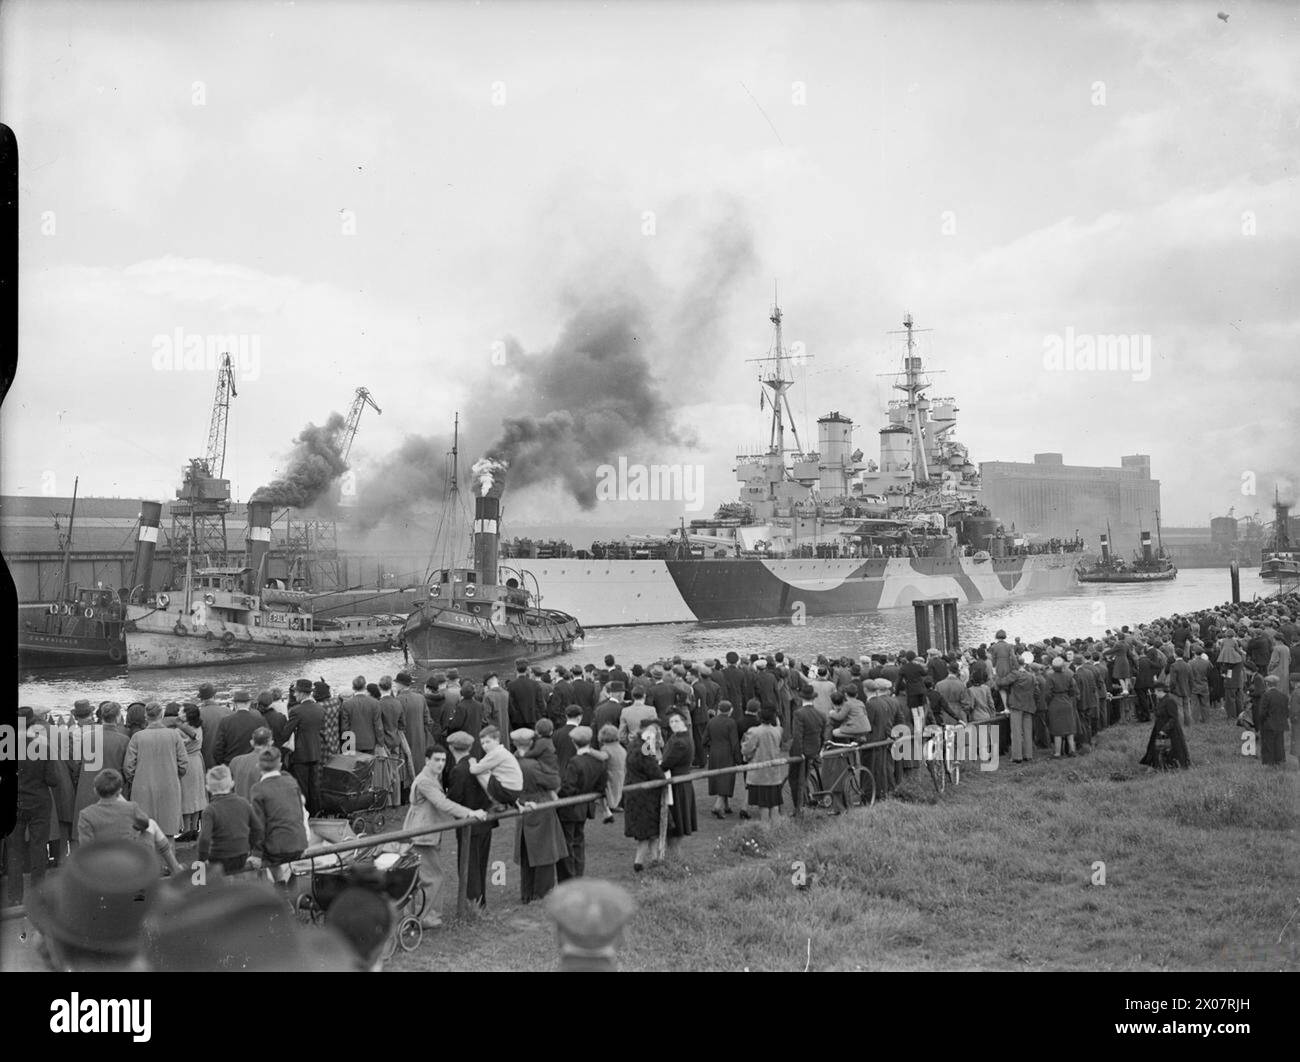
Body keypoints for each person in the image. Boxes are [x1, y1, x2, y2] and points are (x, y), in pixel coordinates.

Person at [404, 744, 486, 928]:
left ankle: (418, 915)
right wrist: (470, 813)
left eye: (443, 760)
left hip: (425, 833)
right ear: (427, 760)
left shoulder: (432, 777)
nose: (441, 764)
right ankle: (427, 918)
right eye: (437, 760)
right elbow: (442, 803)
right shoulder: (425, 780)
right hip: (421, 835)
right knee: (433, 877)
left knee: (424, 877)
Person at [75, 770, 183, 876]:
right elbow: (145, 824)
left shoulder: (86, 815)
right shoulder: (130, 808)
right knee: (152, 824)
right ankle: (175, 867)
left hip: (103, 869)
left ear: (95, 791)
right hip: (131, 863)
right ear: (119, 791)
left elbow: (86, 847)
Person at [512, 728, 566, 903]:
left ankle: (527, 894)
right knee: (545, 854)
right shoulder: (533, 765)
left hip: (522, 808)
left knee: (527, 855)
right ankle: (543, 894)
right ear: (531, 743)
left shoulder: (512, 761)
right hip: (540, 807)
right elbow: (554, 782)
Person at [443, 731, 496, 909]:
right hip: (484, 821)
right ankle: (481, 902)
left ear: (451, 748)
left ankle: (473, 905)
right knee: (480, 864)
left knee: (469, 865)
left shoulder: (458, 771)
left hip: (469, 823)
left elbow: (454, 799)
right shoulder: (478, 764)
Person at [123, 703, 188, 838]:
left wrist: (138, 779)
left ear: (146, 716)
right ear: (161, 715)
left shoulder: (137, 737)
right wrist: (173, 776)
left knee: (144, 834)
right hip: (169, 787)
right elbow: (183, 764)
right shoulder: (174, 736)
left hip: (142, 788)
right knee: (168, 835)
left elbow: (128, 768)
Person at [249, 747, 308, 885]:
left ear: (259, 766)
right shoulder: (291, 782)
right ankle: (283, 895)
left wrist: (256, 854)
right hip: (299, 843)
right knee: (273, 861)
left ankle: (270, 897)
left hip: (276, 848)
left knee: (260, 861)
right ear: (280, 765)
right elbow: (301, 813)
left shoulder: (258, 789)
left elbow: (258, 825)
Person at [556, 727, 608, 881]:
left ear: (574, 742)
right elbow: (601, 785)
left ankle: (568, 877)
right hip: (585, 806)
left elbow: (568, 788)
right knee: (578, 841)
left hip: (570, 807)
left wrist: (556, 796)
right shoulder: (598, 761)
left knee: (567, 842)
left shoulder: (575, 762)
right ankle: (578, 874)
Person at [198, 765, 262, 878]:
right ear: (232, 783)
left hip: (219, 856)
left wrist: (202, 859)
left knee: (200, 873)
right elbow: (257, 829)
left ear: (208, 787)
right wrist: (252, 849)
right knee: (238, 875)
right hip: (242, 854)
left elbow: (204, 839)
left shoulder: (210, 810)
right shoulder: (243, 803)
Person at [623, 719, 665, 872]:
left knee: (649, 832)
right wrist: (663, 777)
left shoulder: (633, 744)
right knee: (647, 830)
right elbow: (651, 768)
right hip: (645, 794)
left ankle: (653, 860)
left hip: (633, 790)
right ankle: (641, 863)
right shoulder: (645, 746)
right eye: (654, 731)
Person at [285, 680, 326, 814]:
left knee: (302, 787)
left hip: (301, 754)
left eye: (296, 692)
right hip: (315, 751)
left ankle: (305, 814)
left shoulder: (296, 711)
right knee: (314, 785)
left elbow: (286, 733)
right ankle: (316, 813)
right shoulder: (320, 708)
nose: (295, 695)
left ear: (302, 693)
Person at [660, 710, 697, 855]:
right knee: (673, 829)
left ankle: (674, 861)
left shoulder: (680, 742)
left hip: (678, 785)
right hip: (679, 782)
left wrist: (655, 765)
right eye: (671, 722)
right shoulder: (678, 737)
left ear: (684, 722)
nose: (673, 724)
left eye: (676, 721)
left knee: (675, 827)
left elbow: (666, 763)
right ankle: (673, 859)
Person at [741, 706, 787, 822]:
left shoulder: (754, 731)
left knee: (764, 806)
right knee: (774, 804)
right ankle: (776, 830)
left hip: (760, 774)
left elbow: (746, 750)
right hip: (774, 774)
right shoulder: (778, 731)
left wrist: (747, 756)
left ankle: (765, 829)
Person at [469, 724, 525, 808]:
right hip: (515, 790)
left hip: (507, 791)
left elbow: (474, 770)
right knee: (486, 771)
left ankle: (496, 801)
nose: (485, 746)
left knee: (480, 773)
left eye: (488, 742)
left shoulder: (496, 753)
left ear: (497, 740)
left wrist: (472, 762)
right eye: (482, 743)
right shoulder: (502, 751)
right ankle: (505, 801)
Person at [704, 698, 741, 818]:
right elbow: (734, 743)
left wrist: (711, 747)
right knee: (726, 779)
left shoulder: (711, 722)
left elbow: (704, 740)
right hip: (727, 754)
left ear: (718, 710)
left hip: (714, 753)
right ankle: (717, 806)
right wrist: (738, 759)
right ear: (730, 710)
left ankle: (726, 805)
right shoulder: (731, 723)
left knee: (718, 778)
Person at [999, 655, 1037, 764]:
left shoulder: (1014, 675)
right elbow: (1036, 692)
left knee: (1016, 731)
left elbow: (1001, 683)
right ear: (1024, 664)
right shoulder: (1031, 676)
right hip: (1028, 705)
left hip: (1016, 705)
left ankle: (1017, 756)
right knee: (1027, 731)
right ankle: (1028, 755)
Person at [178, 704, 207, 841]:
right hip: (197, 761)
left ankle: (186, 830)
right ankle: (195, 827)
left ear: (186, 715)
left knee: (186, 796)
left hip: (187, 763)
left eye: (181, 710)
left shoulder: (182, 730)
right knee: (197, 795)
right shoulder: (198, 727)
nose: (178, 712)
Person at [213, 689, 265, 766]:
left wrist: (223, 763)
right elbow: (266, 743)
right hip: (254, 764)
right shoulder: (260, 720)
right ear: (249, 703)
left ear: (235, 703)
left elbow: (217, 749)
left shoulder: (225, 721)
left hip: (231, 763)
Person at [230, 727, 274, 802]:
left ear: (252, 742)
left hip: (239, 807)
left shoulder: (235, 761)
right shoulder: (270, 764)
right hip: (258, 809)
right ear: (270, 743)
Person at [1257, 675, 1290, 767]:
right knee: (1279, 744)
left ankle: (1269, 764)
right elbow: (1287, 712)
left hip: (1269, 724)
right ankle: (1280, 762)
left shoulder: (1266, 695)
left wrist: (1262, 722)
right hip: (1281, 724)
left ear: (1267, 684)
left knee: (1268, 744)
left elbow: (1262, 713)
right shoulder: (1283, 696)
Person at [598, 724, 626, 823]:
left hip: (610, 776)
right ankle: (608, 812)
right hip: (621, 775)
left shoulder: (606, 748)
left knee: (602, 790)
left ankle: (607, 811)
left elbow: (602, 760)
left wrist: (590, 752)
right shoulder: (621, 748)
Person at [196, 683, 229, 770]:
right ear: (214, 696)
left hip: (205, 762)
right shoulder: (228, 712)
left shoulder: (197, 715)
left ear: (201, 699)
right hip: (226, 760)